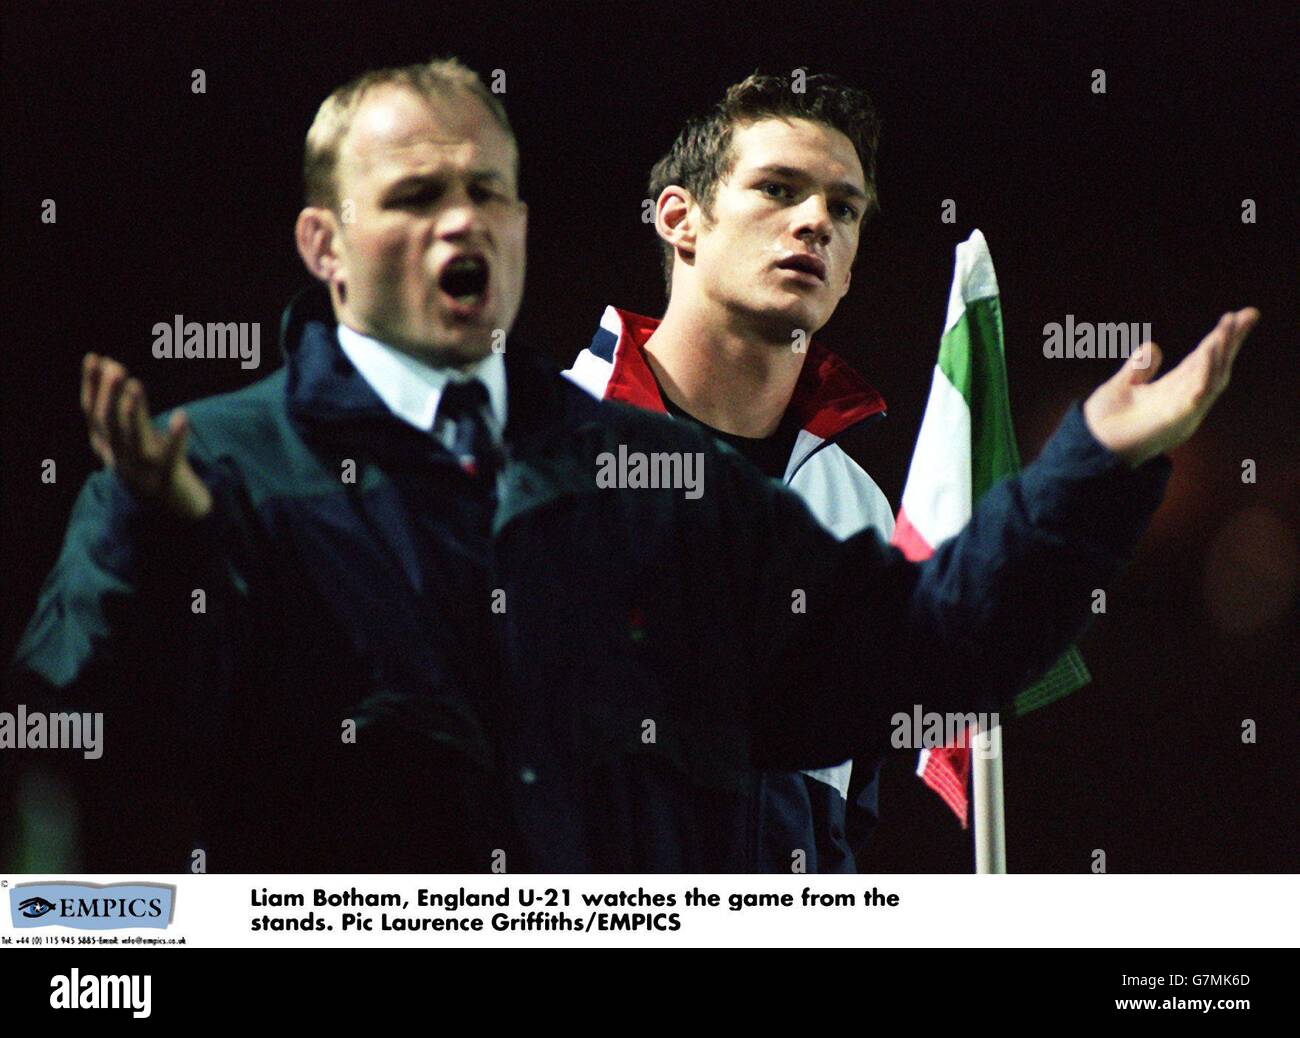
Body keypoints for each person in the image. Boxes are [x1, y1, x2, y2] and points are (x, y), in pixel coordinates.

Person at [8, 57, 1257, 873]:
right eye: (415, 191)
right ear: (324, 243)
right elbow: (77, 779)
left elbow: (912, 656)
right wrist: (160, 545)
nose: (460, 220)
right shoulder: (205, 470)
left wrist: (1087, 466)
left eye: (488, 190)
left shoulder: (661, 482)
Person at [566, 72, 894, 872]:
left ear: (849, 270)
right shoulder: (538, 453)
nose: (815, 220)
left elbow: (845, 813)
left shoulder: (861, 512)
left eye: (843, 209)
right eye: (779, 188)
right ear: (680, 219)